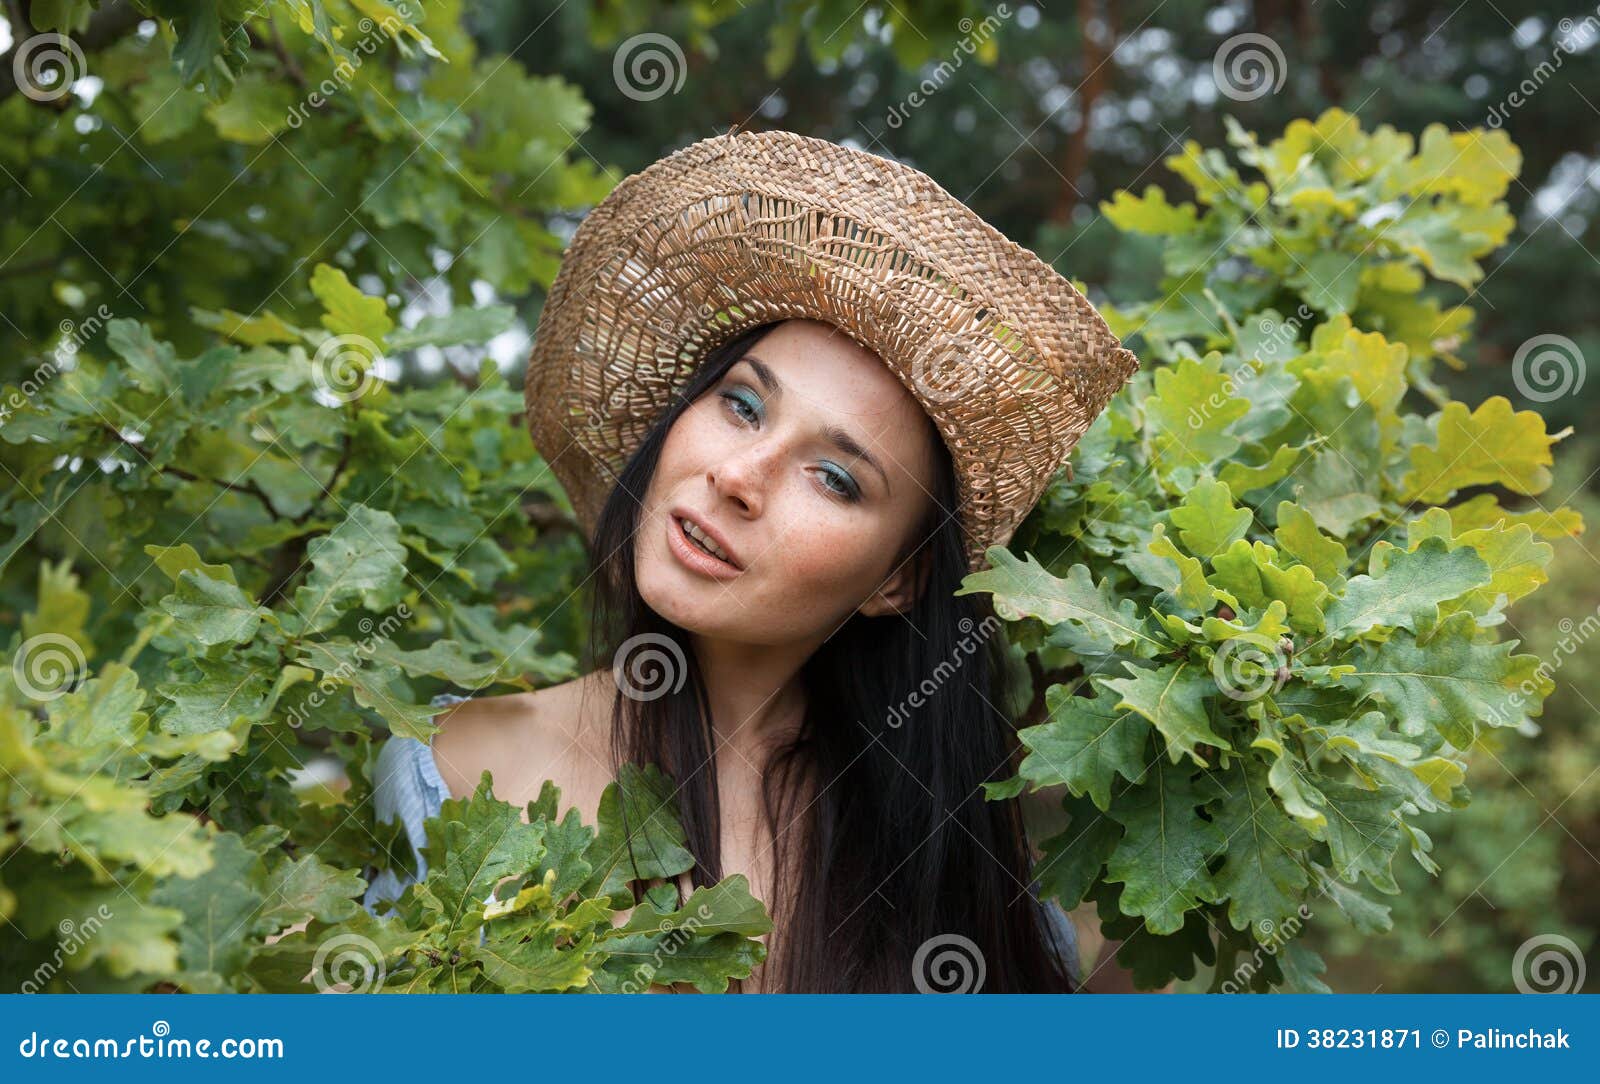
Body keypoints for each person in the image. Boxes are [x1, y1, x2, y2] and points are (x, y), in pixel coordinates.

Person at [362, 129, 1139, 993]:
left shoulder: (986, 909)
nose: (738, 476)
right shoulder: (452, 772)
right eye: (741, 404)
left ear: (899, 579)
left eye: (836, 477)